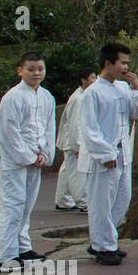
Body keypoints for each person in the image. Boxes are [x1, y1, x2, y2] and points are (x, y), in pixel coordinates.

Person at [0, 51, 56, 272]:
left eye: (40, 69)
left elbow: (48, 129)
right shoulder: (12, 97)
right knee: (11, 206)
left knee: (26, 205)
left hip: (35, 159)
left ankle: (23, 248)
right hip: (10, 160)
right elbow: (9, 133)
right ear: (20, 71)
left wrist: (44, 153)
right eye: (31, 69)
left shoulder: (46, 97)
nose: (36, 73)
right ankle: (6, 256)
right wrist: (28, 157)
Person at [79, 43, 138, 265]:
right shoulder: (92, 93)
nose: (126, 67)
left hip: (123, 155)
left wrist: (136, 88)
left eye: (127, 62)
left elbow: (137, 113)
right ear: (108, 63)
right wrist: (105, 154)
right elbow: (89, 129)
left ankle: (106, 240)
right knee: (101, 203)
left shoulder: (123, 88)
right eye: (123, 62)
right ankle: (103, 246)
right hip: (104, 159)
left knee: (122, 200)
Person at [54, 68, 97, 212]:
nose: (95, 80)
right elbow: (75, 124)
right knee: (77, 172)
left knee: (67, 171)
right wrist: (79, 147)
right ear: (83, 80)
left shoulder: (83, 96)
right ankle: (84, 203)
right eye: (92, 78)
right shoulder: (78, 99)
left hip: (70, 141)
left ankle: (63, 199)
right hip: (72, 143)